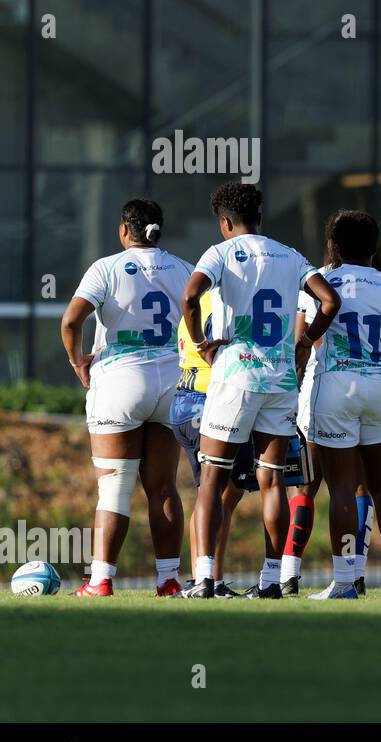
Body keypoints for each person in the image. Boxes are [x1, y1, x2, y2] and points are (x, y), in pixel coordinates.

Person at [178, 182, 340, 599]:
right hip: (281, 380)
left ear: (225, 222)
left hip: (236, 377)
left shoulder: (222, 252)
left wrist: (199, 343)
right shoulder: (290, 255)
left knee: (212, 479)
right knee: (273, 483)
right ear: (261, 218)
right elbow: (329, 302)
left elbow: (191, 296)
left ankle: (204, 578)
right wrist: (305, 344)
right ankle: (271, 580)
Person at [60, 199, 190, 597]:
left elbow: (71, 320)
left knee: (114, 487)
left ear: (123, 230)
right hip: (172, 379)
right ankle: (168, 580)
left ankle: (100, 581)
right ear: (158, 230)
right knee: (164, 487)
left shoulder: (107, 267)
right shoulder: (184, 268)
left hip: (120, 380)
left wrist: (77, 362)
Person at [282, 235, 381, 596]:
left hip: (331, 389)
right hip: (378, 389)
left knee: (325, 486)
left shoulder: (321, 278)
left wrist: (295, 382)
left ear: (334, 244)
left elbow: (303, 338)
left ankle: (332, 579)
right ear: (374, 247)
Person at [172, 286, 258, 598]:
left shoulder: (201, 298)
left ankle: (206, 577)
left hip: (187, 401)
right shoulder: (224, 301)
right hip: (209, 402)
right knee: (214, 493)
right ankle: (206, 579)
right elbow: (220, 352)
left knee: (222, 492)